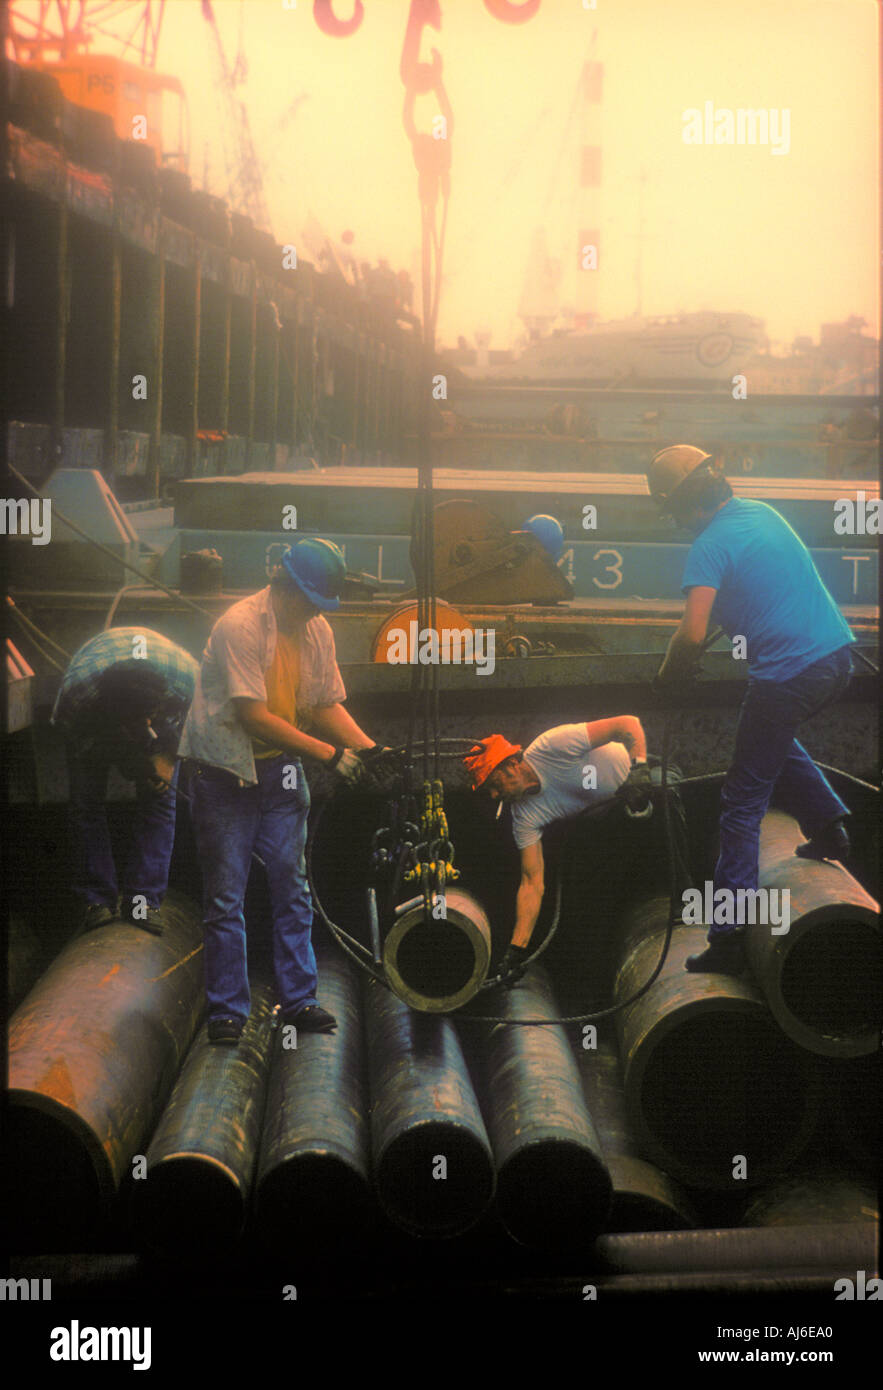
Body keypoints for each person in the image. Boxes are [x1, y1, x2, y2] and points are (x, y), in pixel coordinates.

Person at [648, 445, 854, 974]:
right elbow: (757, 591)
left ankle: (730, 936)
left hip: (788, 675)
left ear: (682, 506)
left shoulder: (707, 545)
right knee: (768, 739)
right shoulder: (761, 512)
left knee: (740, 803)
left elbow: (693, 633)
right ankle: (829, 826)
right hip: (836, 659)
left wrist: (669, 676)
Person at [179, 538, 380, 1044]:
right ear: (286, 588)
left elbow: (325, 702)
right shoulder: (240, 626)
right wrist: (331, 756)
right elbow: (254, 717)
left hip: (280, 775)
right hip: (225, 774)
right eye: (311, 601)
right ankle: (227, 1010)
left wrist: (371, 750)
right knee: (226, 896)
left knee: (293, 889)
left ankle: (300, 1001)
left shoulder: (314, 630)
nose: (316, 612)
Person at [463, 717, 653, 985]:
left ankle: (681, 894)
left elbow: (628, 723)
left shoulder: (551, 746)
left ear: (512, 765)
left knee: (669, 795)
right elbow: (531, 883)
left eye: (494, 785)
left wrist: (640, 770)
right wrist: (517, 950)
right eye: (488, 791)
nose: (493, 796)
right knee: (590, 891)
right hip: (610, 815)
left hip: (639, 779)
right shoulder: (523, 817)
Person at [52, 627, 198, 936]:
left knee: (160, 798)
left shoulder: (189, 682)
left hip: (165, 695)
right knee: (85, 802)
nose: (146, 726)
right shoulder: (78, 698)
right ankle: (95, 901)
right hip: (97, 715)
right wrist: (128, 756)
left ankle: (143, 902)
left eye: (149, 718)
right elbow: (84, 743)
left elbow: (197, 725)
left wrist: (167, 758)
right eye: (137, 722)